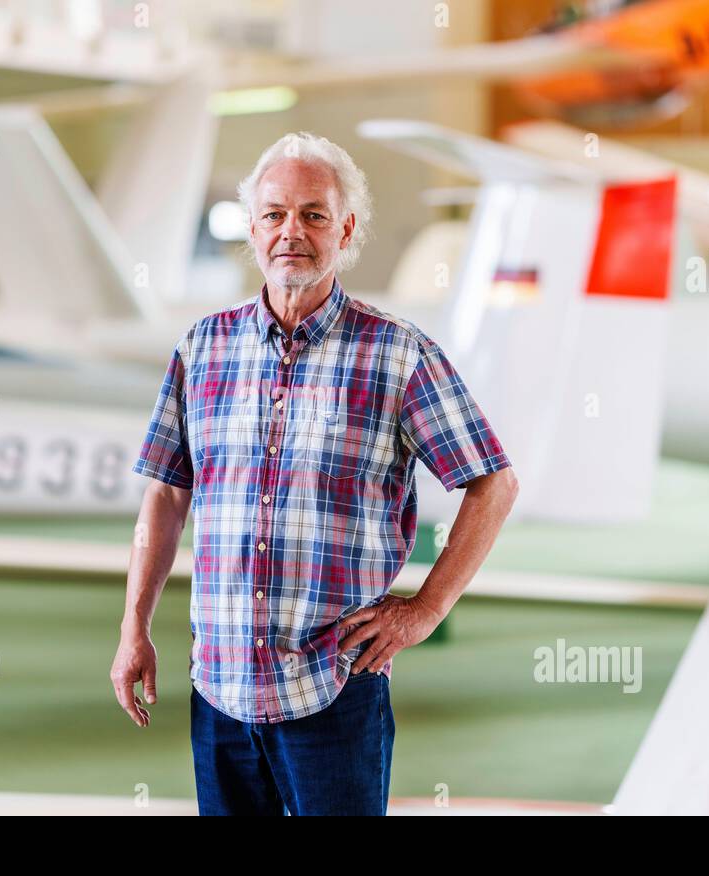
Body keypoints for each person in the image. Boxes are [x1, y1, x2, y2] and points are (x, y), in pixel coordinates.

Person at [112, 131, 518, 815]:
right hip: (220, 689)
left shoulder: (398, 354)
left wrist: (426, 609)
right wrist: (133, 629)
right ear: (252, 227)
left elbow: (493, 482)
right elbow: (165, 492)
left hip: (334, 688)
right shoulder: (203, 349)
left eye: (313, 214)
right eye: (274, 214)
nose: (290, 231)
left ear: (346, 229)